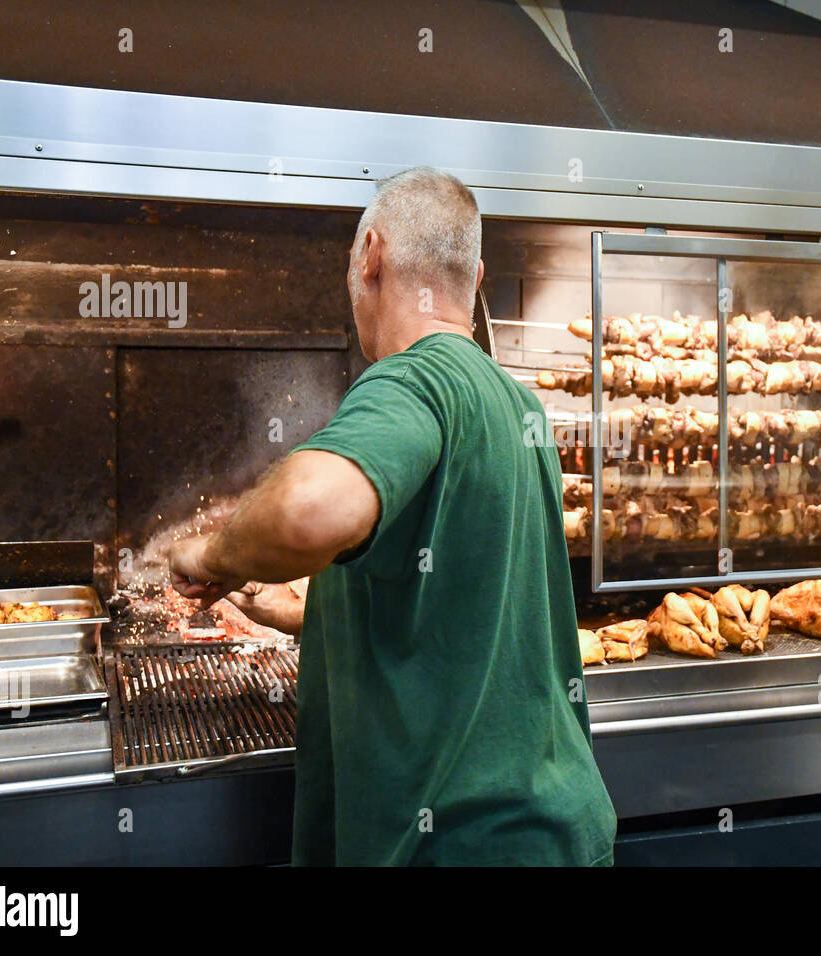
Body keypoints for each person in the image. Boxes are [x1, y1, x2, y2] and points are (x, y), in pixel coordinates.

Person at [168, 166, 616, 866]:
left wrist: (209, 555)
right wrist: (286, 609)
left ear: (370, 256)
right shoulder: (520, 406)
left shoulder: (414, 380)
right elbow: (454, 593)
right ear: (475, 278)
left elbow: (305, 513)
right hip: (552, 830)